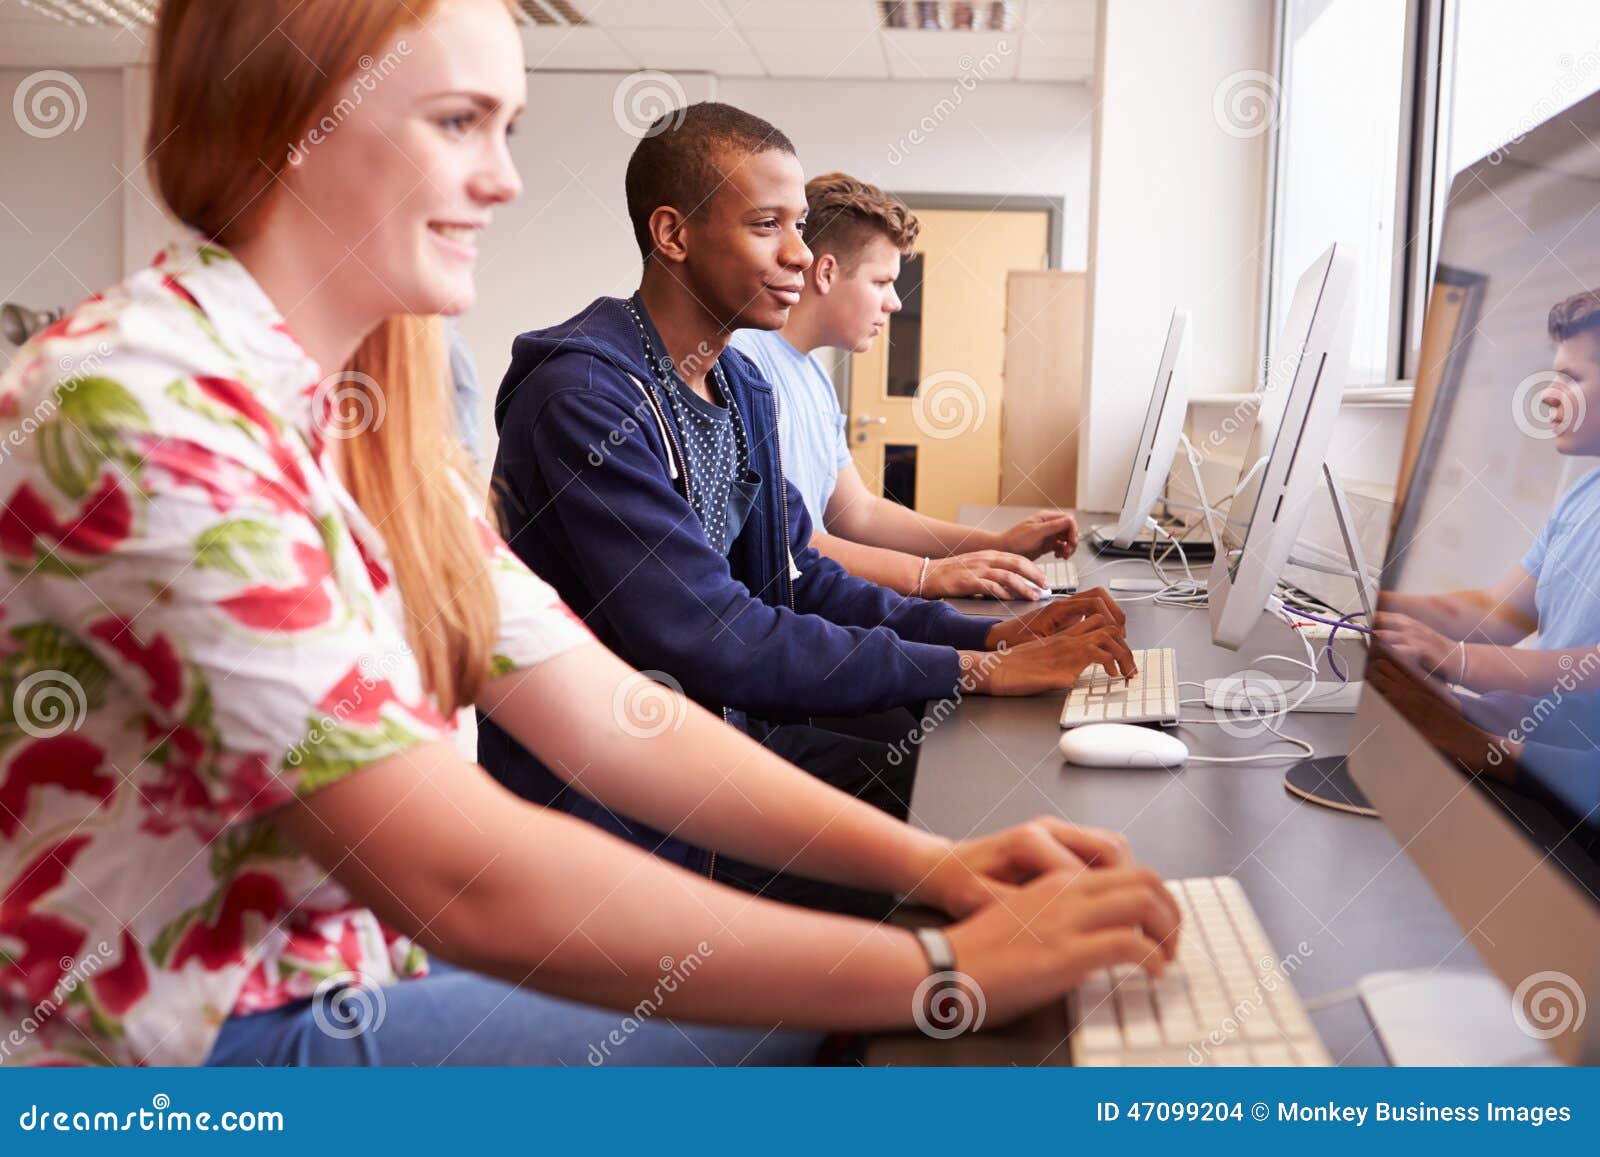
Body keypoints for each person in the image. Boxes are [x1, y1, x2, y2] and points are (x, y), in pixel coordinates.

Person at [0, 0, 1179, 1068]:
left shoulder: (374, 413)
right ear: (292, 119)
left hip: (356, 962)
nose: (505, 180)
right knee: (857, 1029)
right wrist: (940, 969)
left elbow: (609, 708)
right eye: (458, 123)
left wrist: (936, 863)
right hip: (182, 1045)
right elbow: (454, 872)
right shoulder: (141, 405)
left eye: (505, 128)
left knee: (885, 958)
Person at [485, 102, 1137, 907]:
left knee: (981, 793)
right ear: (673, 234)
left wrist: (990, 633)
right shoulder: (585, 400)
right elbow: (716, 634)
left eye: (797, 225)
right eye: (767, 225)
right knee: (953, 858)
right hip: (623, 805)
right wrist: (973, 668)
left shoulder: (738, 384)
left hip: (731, 744)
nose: (799, 253)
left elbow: (801, 575)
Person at [730, 172, 1079, 602]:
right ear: (826, 272)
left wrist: (998, 544)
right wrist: (927, 573)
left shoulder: (814, 375)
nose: (894, 302)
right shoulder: (743, 363)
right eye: (881, 282)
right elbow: (779, 538)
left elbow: (858, 513)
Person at [1372, 288, 1600, 826]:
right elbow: (1499, 613)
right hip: (1535, 737)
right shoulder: (1584, 494)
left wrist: (1462, 663)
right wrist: (1376, 605)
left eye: (1571, 379)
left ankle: (1472, 739)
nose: (1548, 397)